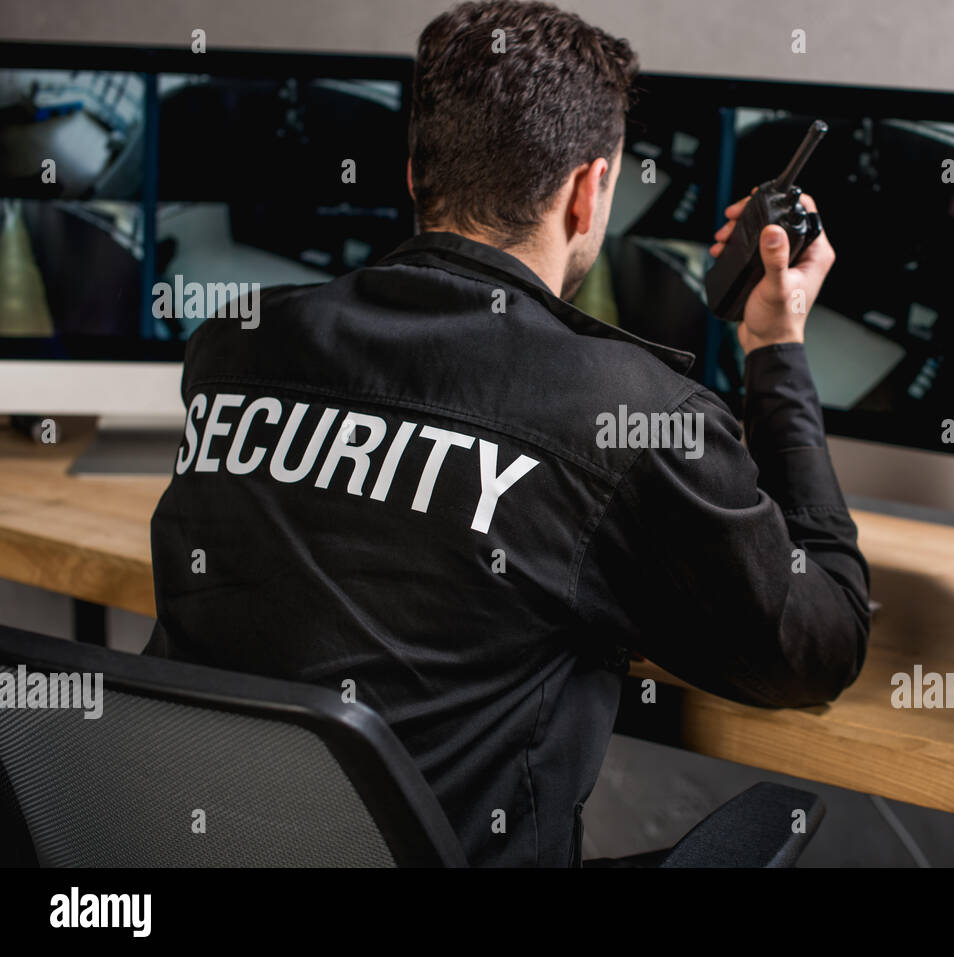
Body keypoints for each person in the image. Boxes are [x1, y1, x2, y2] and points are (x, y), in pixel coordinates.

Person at [146, 0, 871, 867]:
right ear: (587, 191)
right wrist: (775, 349)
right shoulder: (632, 415)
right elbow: (823, 641)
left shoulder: (231, 346)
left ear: (415, 174)